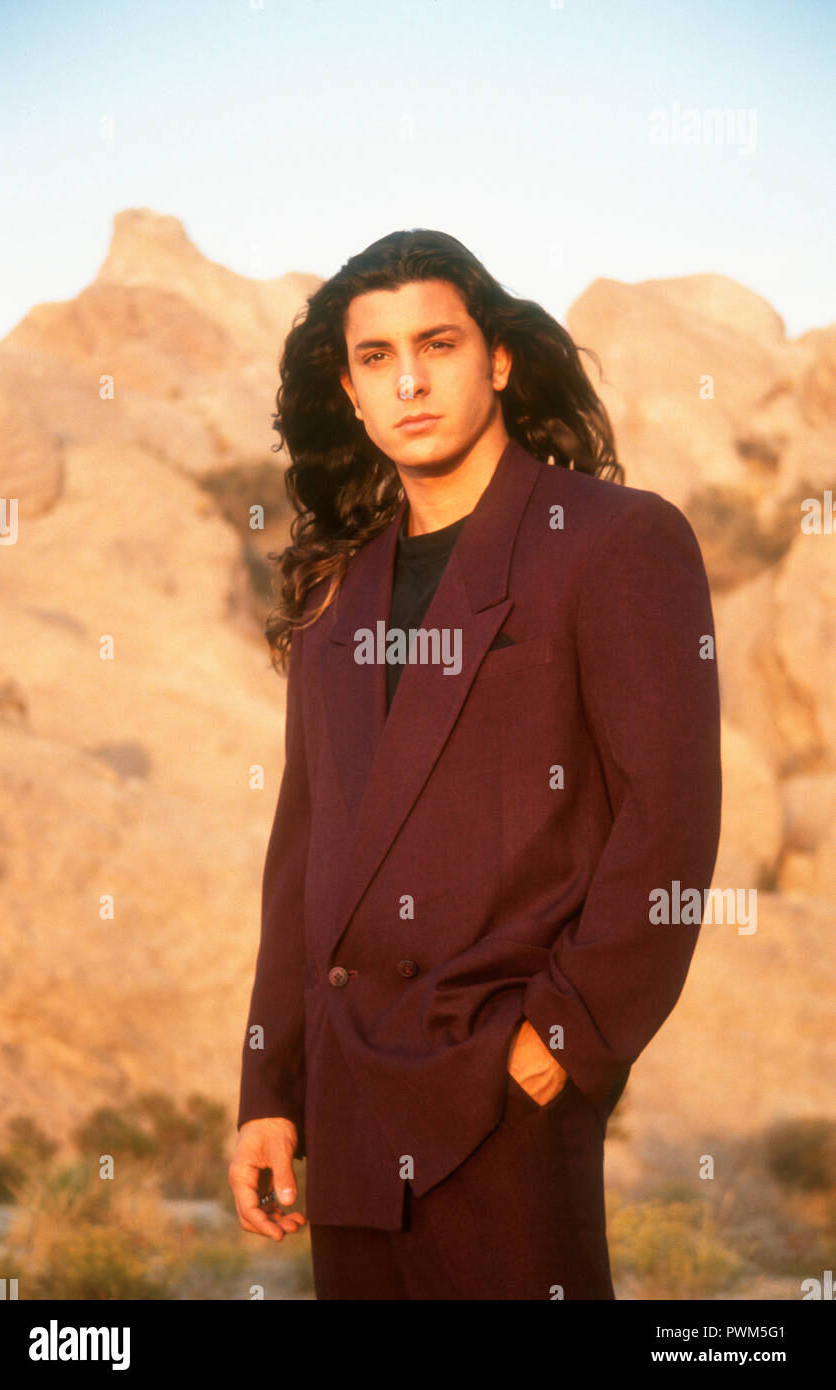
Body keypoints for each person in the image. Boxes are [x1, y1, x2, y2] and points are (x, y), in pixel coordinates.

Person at [228, 228, 722, 1299]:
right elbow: (305, 851)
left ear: (496, 357)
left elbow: (666, 821)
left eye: (437, 342)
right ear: (350, 390)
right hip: (351, 1106)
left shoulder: (612, 541)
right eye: (373, 357)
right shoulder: (335, 595)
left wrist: (560, 1040)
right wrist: (270, 1085)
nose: (407, 379)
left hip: (500, 1096)